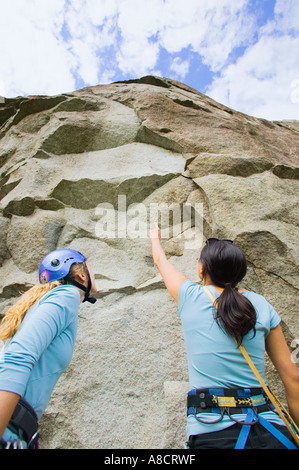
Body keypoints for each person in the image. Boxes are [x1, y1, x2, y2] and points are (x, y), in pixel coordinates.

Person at [149, 224, 299, 449]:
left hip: (213, 432)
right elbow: (292, 379)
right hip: (271, 431)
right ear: (240, 272)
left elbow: (161, 261)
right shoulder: (260, 304)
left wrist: (154, 239)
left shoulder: (190, 296)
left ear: (201, 270)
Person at [0, 248, 97, 449]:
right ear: (82, 274)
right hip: (8, 424)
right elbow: (17, 357)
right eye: (90, 267)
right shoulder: (67, 294)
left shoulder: (51, 300)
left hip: (16, 426)